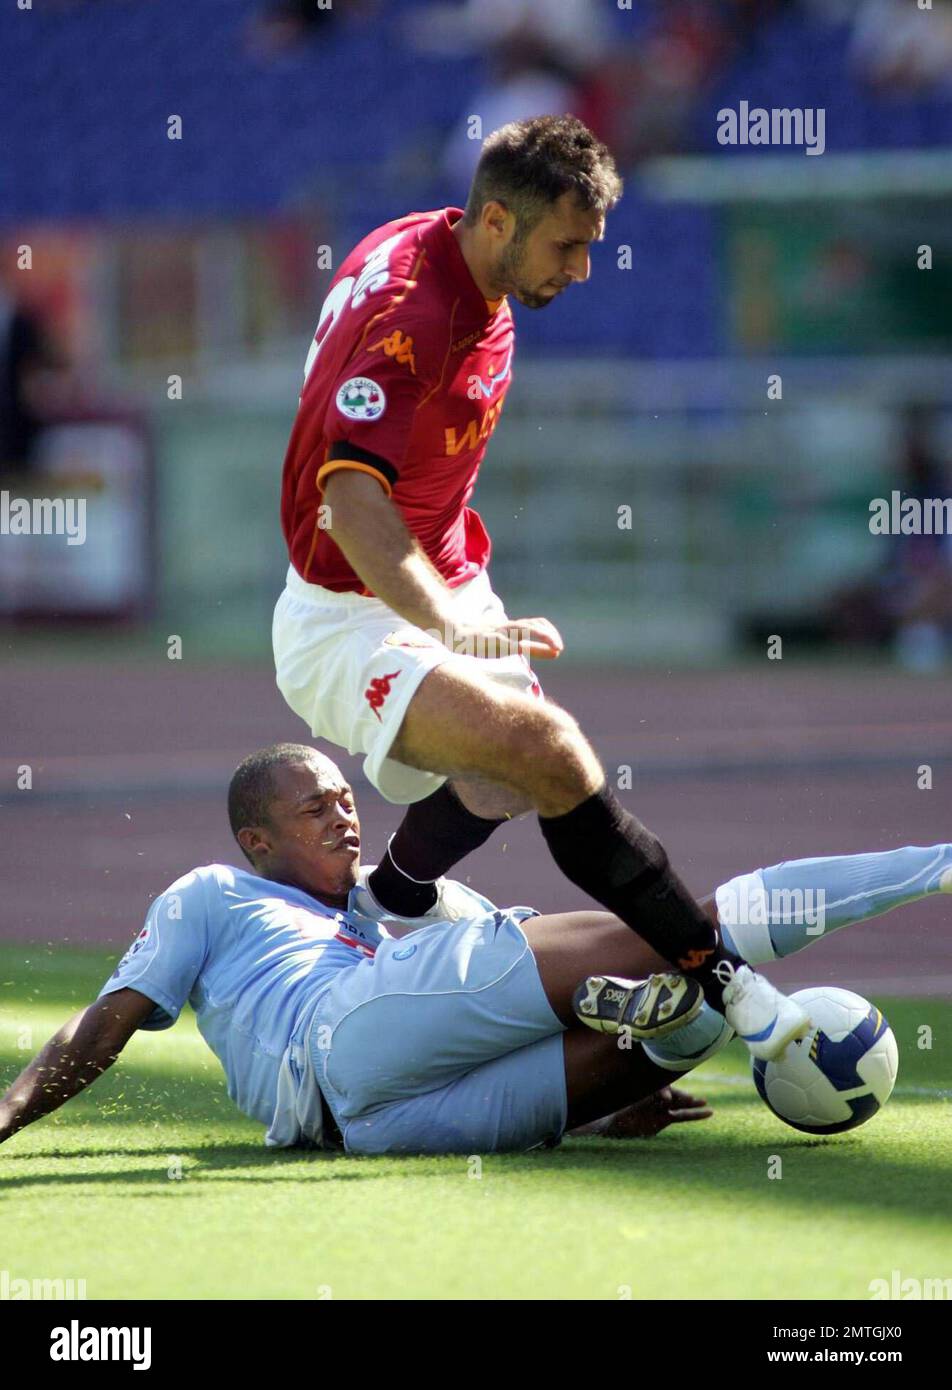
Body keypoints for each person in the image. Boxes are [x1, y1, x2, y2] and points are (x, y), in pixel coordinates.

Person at [274, 112, 807, 1061]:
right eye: (567, 245)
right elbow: (354, 508)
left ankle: (383, 907)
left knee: (506, 777)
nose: (583, 268)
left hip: (446, 578)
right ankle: (727, 981)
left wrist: (458, 599)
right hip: (348, 612)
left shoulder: (444, 248)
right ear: (494, 223)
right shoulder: (416, 316)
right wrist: (449, 625)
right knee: (551, 752)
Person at [2, 743, 948, 1157]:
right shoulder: (213, 892)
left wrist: (605, 1111)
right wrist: (9, 1109)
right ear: (255, 842)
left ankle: (624, 1017)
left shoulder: (401, 904)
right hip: (339, 1030)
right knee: (678, 935)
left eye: (345, 797)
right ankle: (935, 862)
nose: (343, 813)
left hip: (368, 1132)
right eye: (314, 807)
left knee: (695, 1020)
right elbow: (109, 1019)